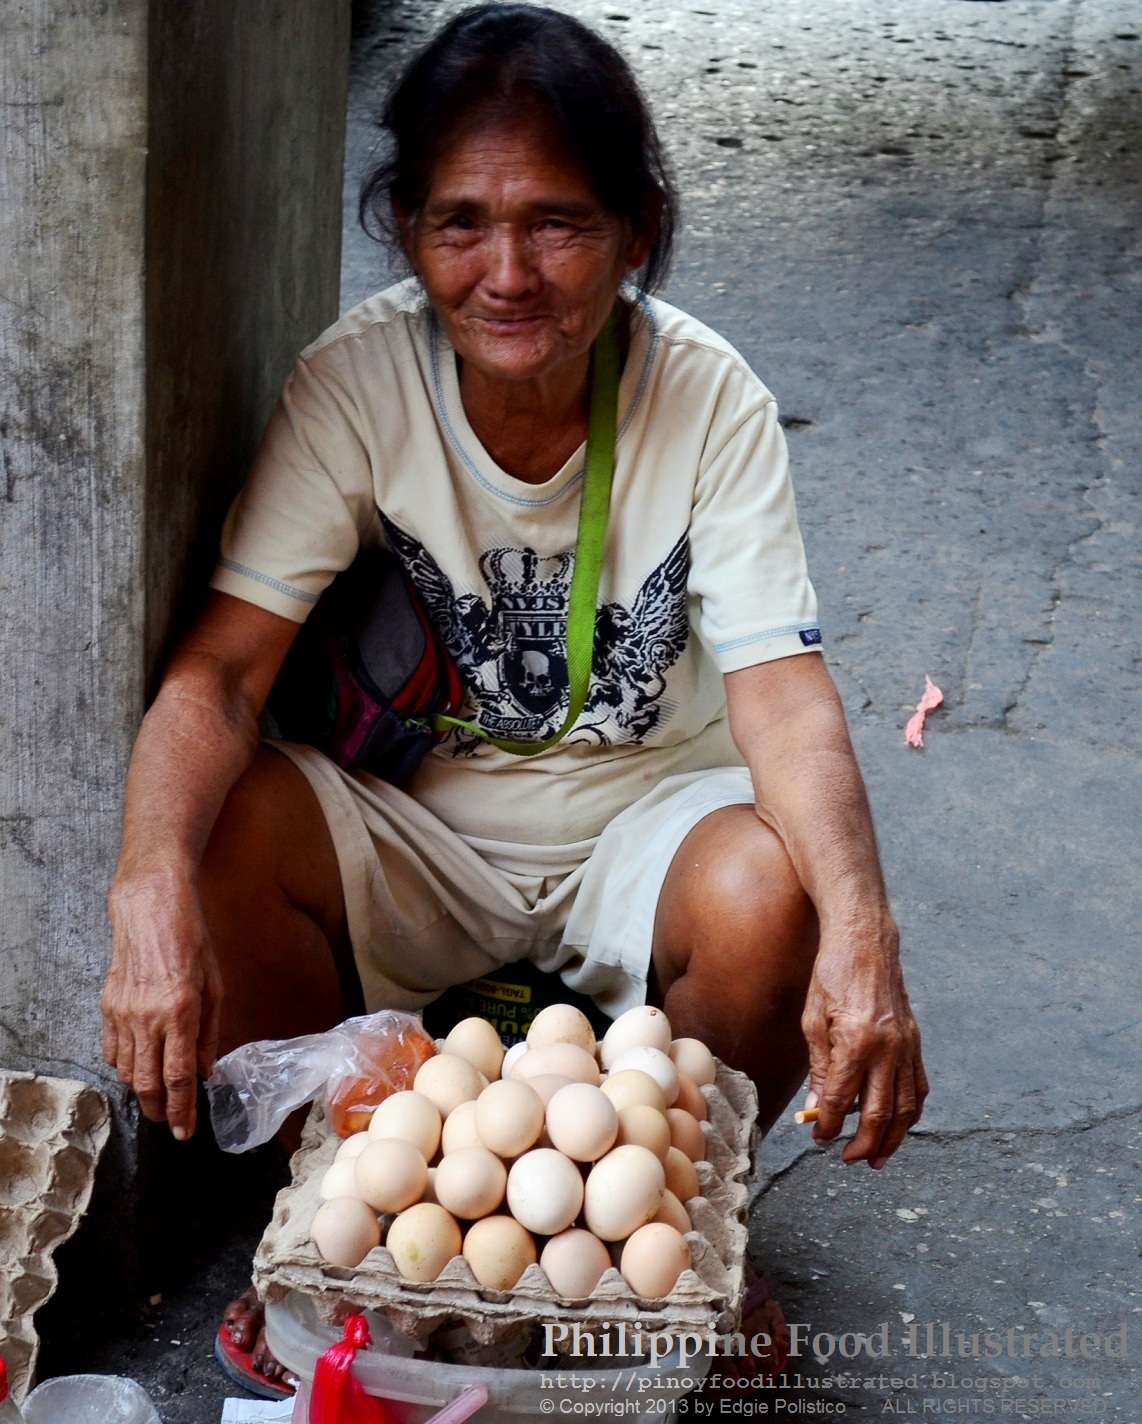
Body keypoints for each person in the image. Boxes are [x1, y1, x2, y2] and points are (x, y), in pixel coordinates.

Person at [101, 0, 926, 1393]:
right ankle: (334, 1227)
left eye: (557, 223)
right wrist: (141, 888)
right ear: (406, 228)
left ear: (637, 229)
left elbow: (783, 697)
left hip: (638, 830)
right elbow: (223, 669)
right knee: (220, 831)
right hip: (413, 839)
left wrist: (863, 931)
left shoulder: (704, 398)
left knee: (775, 893)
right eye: (459, 222)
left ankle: (674, 1231)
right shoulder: (359, 382)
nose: (506, 273)